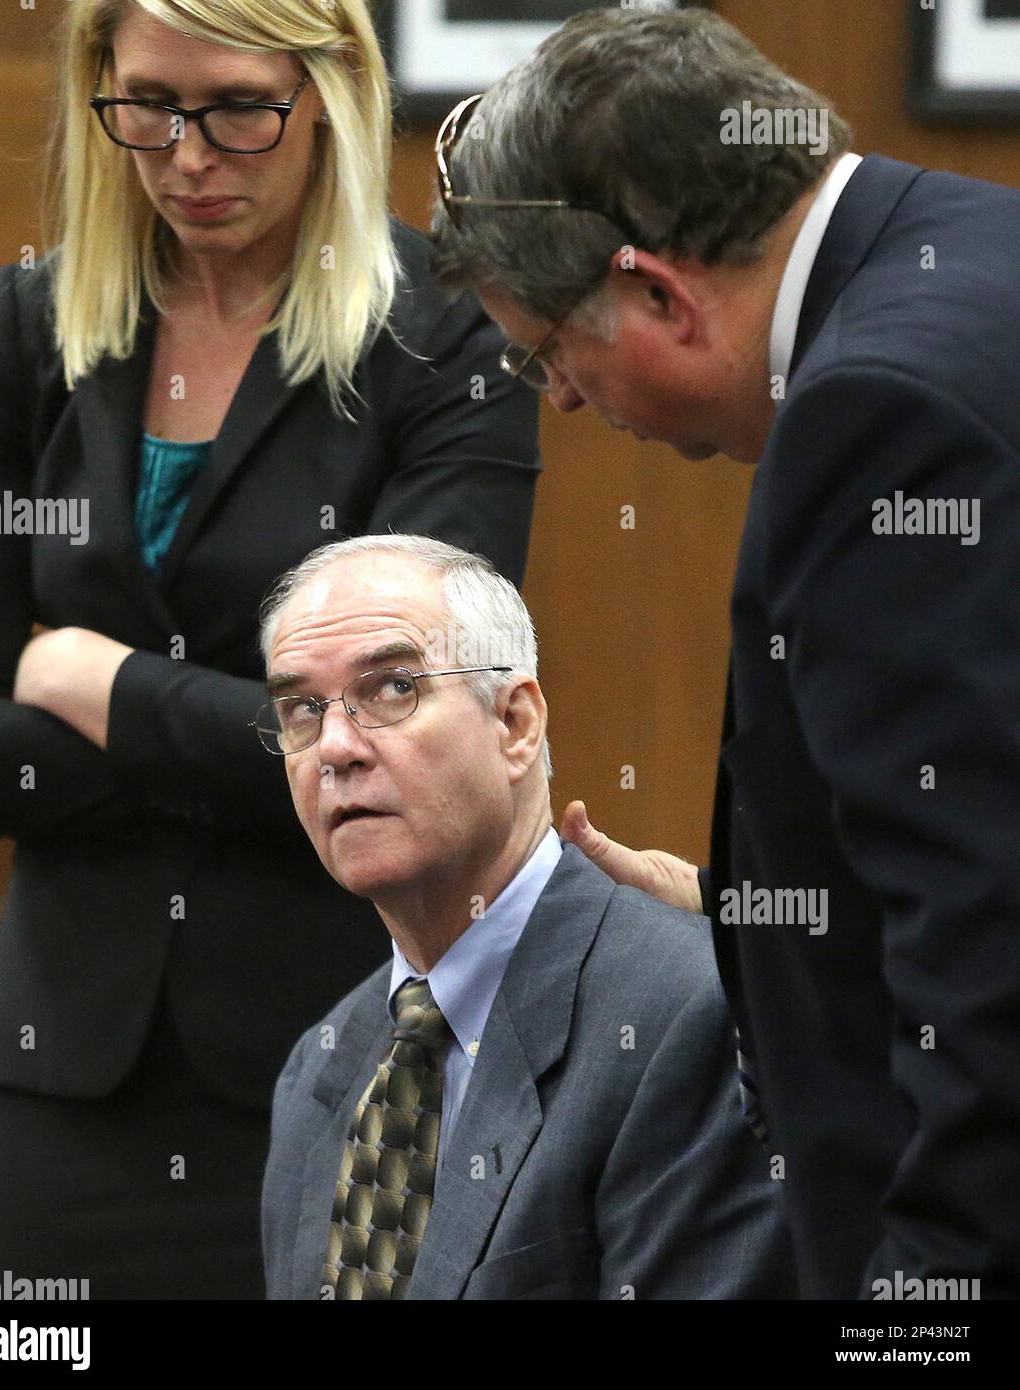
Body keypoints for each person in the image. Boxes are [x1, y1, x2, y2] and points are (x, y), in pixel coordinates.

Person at [0, 0, 538, 1298]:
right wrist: (259, 742)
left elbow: (409, 752)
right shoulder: (35, 326)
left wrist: (96, 681)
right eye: (147, 105)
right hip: (67, 1069)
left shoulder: (444, 343)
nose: (188, 156)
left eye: (237, 110)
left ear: (327, 92)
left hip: (341, 1057)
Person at [427, 6, 1020, 1299]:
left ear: (652, 289)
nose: (568, 400)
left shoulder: (880, 417)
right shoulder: (981, 248)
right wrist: (760, 908)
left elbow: (987, 949)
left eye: (549, 356)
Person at [260, 534, 793, 1300]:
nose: (334, 748)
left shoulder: (690, 1013)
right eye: (301, 710)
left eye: (391, 689)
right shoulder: (319, 1064)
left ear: (514, 723)